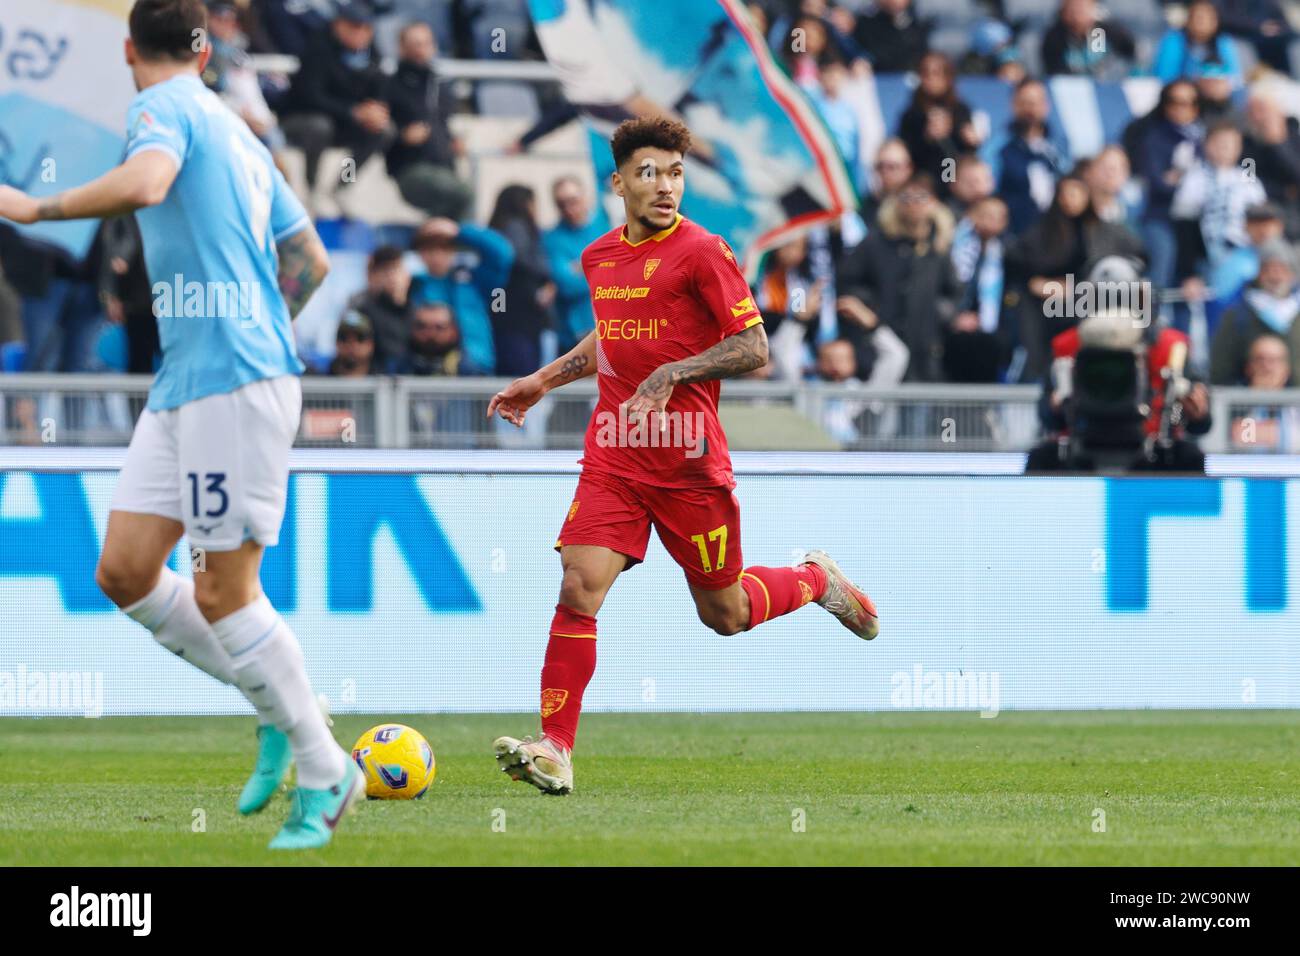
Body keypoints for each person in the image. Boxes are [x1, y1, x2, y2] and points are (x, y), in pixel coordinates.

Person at [0, 0, 358, 849]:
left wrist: (35, 209)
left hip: (232, 380)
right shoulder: (241, 133)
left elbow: (150, 181)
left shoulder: (158, 108)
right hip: (190, 380)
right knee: (125, 571)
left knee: (224, 591)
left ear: (132, 50)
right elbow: (307, 260)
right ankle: (274, 704)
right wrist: (260, 319)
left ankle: (323, 765)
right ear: (206, 50)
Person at [485, 117, 879, 794]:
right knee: (578, 587)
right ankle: (555, 746)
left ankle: (815, 580)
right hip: (615, 454)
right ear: (619, 183)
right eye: (650, 173)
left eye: (675, 173)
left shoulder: (704, 252)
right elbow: (611, 338)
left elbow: (752, 346)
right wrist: (543, 379)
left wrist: (673, 374)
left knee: (724, 615)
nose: (666, 186)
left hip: (690, 465)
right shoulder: (600, 258)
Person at [279, 2, 392, 208]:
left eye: (366, 28)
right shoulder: (318, 49)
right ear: (339, 25)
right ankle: (311, 187)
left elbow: (379, 91)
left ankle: (342, 185)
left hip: (344, 121)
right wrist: (353, 112)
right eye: (355, 26)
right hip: (302, 118)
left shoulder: (373, 55)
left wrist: (375, 112)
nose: (361, 33)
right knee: (319, 127)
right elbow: (310, 97)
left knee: (381, 131)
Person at [384, 21, 472, 221]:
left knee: (447, 212)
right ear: (401, 47)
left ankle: (435, 244)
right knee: (464, 195)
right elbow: (373, 131)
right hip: (411, 170)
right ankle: (460, 249)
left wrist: (454, 141)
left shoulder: (440, 86)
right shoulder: (390, 86)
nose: (421, 50)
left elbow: (445, 124)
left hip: (446, 168)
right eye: (415, 44)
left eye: (426, 44)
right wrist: (401, 137)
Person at [408, 216, 515, 375]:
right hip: (428, 368)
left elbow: (503, 254)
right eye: (430, 248)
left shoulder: (474, 280)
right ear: (421, 253)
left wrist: (459, 230)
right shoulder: (413, 285)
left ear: (453, 251)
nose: (437, 255)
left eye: (444, 248)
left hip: (476, 365)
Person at [1210, 238, 1300, 383]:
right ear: (1259, 274)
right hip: (1248, 399)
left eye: (1281, 269)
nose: (1275, 276)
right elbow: (1220, 367)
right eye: (1268, 269)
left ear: (1292, 275)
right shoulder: (1237, 314)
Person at [992, 78, 1070, 236]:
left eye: (1036, 102)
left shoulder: (1060, 146)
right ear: (1014, 105)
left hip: (1055, 234)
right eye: (1025, 102)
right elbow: (985, 186)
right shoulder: (997, 146)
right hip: (1012, 235)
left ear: (1046, 106)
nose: (1031, 109)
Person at [896, 52, 981, 196]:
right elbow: (906, 151)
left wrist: (964, 138)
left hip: (952, 176)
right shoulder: (912, 114)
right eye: (925, 74)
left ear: (948, 78)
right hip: (921, 180)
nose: (930, 79)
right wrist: (927, 138)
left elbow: (964, 153)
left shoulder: (960, 110)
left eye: (936, 74)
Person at [542, 176, 606, 354]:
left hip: (613, 332)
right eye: (561, 204)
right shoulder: (552, 239)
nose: (568, 209)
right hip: (573, 337)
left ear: (585, 198)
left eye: (572, 201)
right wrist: (603, 267)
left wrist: (582, 268)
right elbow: (566, 285)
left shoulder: (606, 227)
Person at [347, 244, 410, 373]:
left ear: (406, 275)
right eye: (385, 271)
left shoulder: (416, 311)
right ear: (373, 275)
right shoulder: (362, 311)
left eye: (396, 269)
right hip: (374, 382)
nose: (392, 276)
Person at [1153, 0, 1244, 87]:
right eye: (1199, 18)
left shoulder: (1223, 42)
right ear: (1188, 21)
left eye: (1209, 18)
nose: (1202, 23)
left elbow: (1234, 78)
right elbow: (1165, 77)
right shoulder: (1174, 40)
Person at [1040, 0, 1137, 80]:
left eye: (1082, 7)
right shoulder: (1054, 38)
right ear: (1063, 12)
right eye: (1073, 7)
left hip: (1107, 88)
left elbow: (1132, 55)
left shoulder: (1110, 31)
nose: (1077, 12)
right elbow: (1052, 71)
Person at [326, 308, 377, 376]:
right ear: (336, 343)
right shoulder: (317, 378)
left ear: (370, 345)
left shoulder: (386, 380)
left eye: (360, 338)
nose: (352, 344)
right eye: (344, 338)